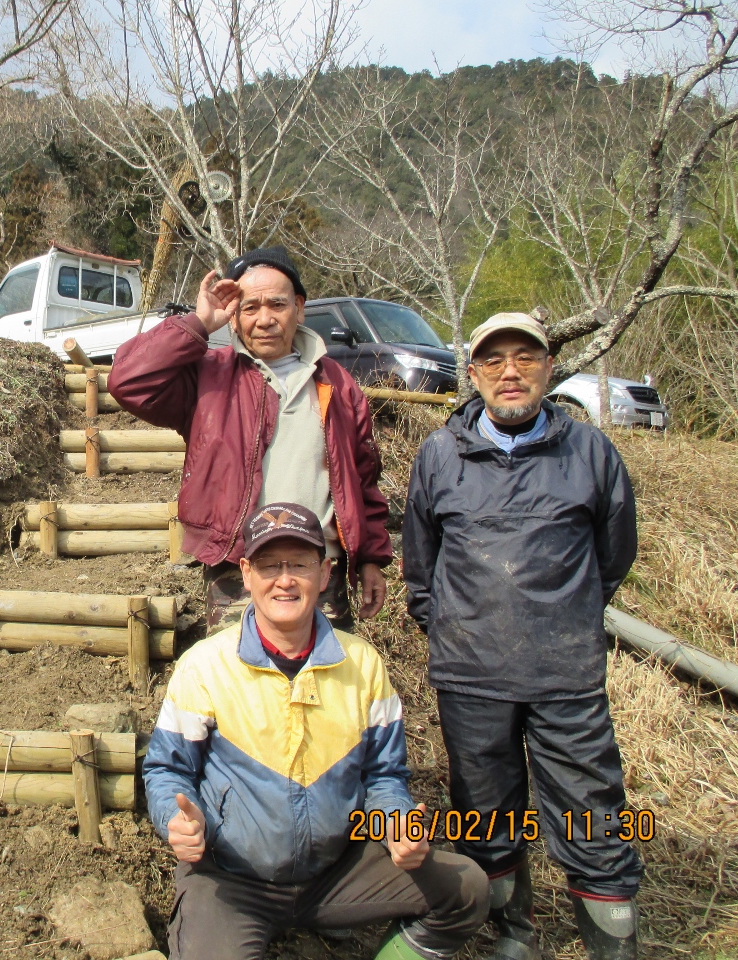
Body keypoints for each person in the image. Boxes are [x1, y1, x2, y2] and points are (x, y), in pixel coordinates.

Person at [143, 501, 489, 960]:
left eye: (299, 564)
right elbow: (166, 771)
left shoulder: (361, 664)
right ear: (246, 573)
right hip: (230, 879)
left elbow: (384, 776)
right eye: (269, 565)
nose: (284, 580)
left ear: (324, 574)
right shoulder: (205, 666)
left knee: (467, 889)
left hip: (337, 874)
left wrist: (396, 824)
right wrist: (175, 819)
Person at [402, 313, 642, 960]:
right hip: (470, 676)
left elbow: (612, 559)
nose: (511, 372)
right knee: (488, 818)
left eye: (526, 358)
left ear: (548, 369)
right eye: (495, 360)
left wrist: (565, 618)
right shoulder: (439, 455)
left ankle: (611, 946)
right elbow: (420, 571)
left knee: (595, 820)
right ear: (474, 374)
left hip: (566, 677)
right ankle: (516, 937)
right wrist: (457, 630)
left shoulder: (590, 454)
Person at [107, 246, 391, 631]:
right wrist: (200, 323)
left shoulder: (337, 384)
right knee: (237, 684)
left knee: (322, 685)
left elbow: (363, 478)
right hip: (238, 568)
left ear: (300, 308)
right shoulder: (209, 377)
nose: (265, 319)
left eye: (277, 304)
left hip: (319, 571)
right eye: (250, 307)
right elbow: (128, 382)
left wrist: (371, 558)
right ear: (235, 317)